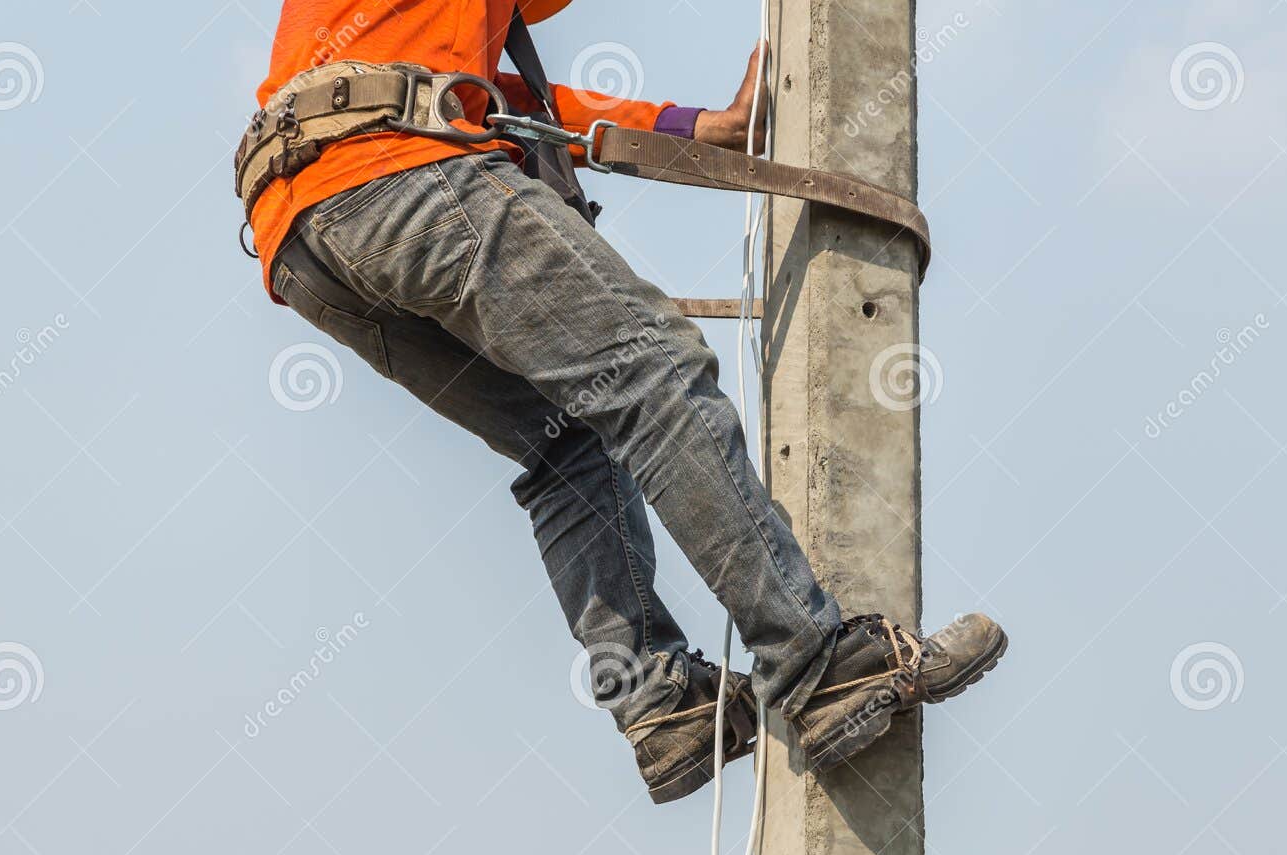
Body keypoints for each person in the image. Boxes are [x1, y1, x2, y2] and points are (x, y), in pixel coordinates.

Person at [240, 0, 1007, 804]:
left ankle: (662, 703)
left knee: (562, 441)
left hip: (306, 234)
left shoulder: (408, 25)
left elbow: (484, 98)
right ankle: (818, 665)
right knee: (652, 372)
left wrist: (689, 128)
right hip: (400, 174)